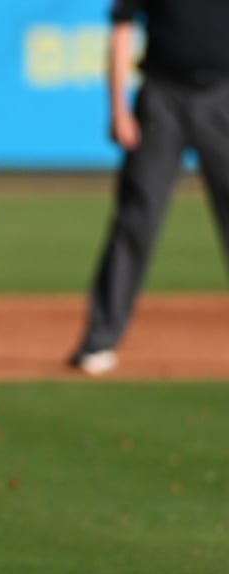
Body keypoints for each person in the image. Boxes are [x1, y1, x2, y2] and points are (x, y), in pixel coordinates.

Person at [70, 0, 229, 375]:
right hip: (162, 98)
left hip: (223, 96)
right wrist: (118, 108)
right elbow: (122, 30)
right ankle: (100, 338)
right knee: (136, 218)